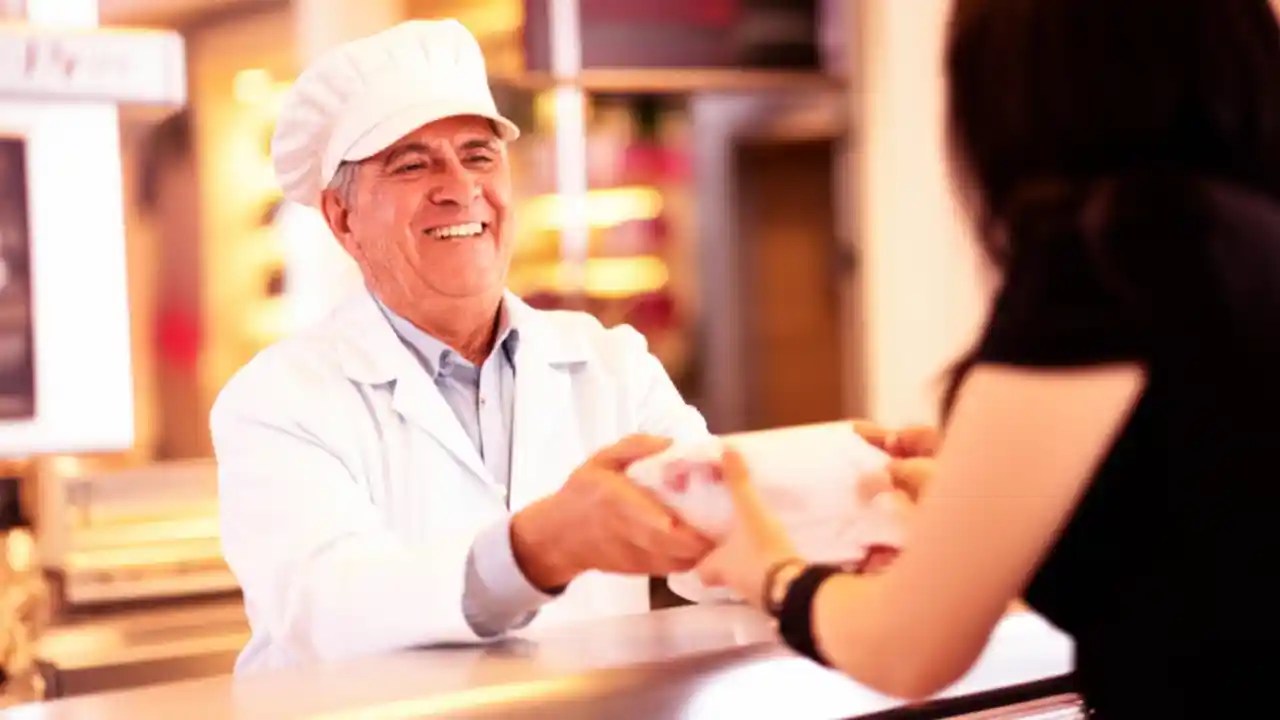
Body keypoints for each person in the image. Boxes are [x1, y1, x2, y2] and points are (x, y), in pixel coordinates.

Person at [696, 0, 1280, 716]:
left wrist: (770, 571)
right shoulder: (1246, 238)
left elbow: (905, 647)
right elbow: (1200, 526)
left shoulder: (1112, 256)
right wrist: (980, 495)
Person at [212, 19, 718, 673]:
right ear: (343, 218)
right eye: (412, 164)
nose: (459, 186)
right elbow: (328, 606)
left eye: (479, 155)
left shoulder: (612, 364)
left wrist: (848, 506)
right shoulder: (276, 400)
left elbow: (717, 540)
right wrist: (538, 547)